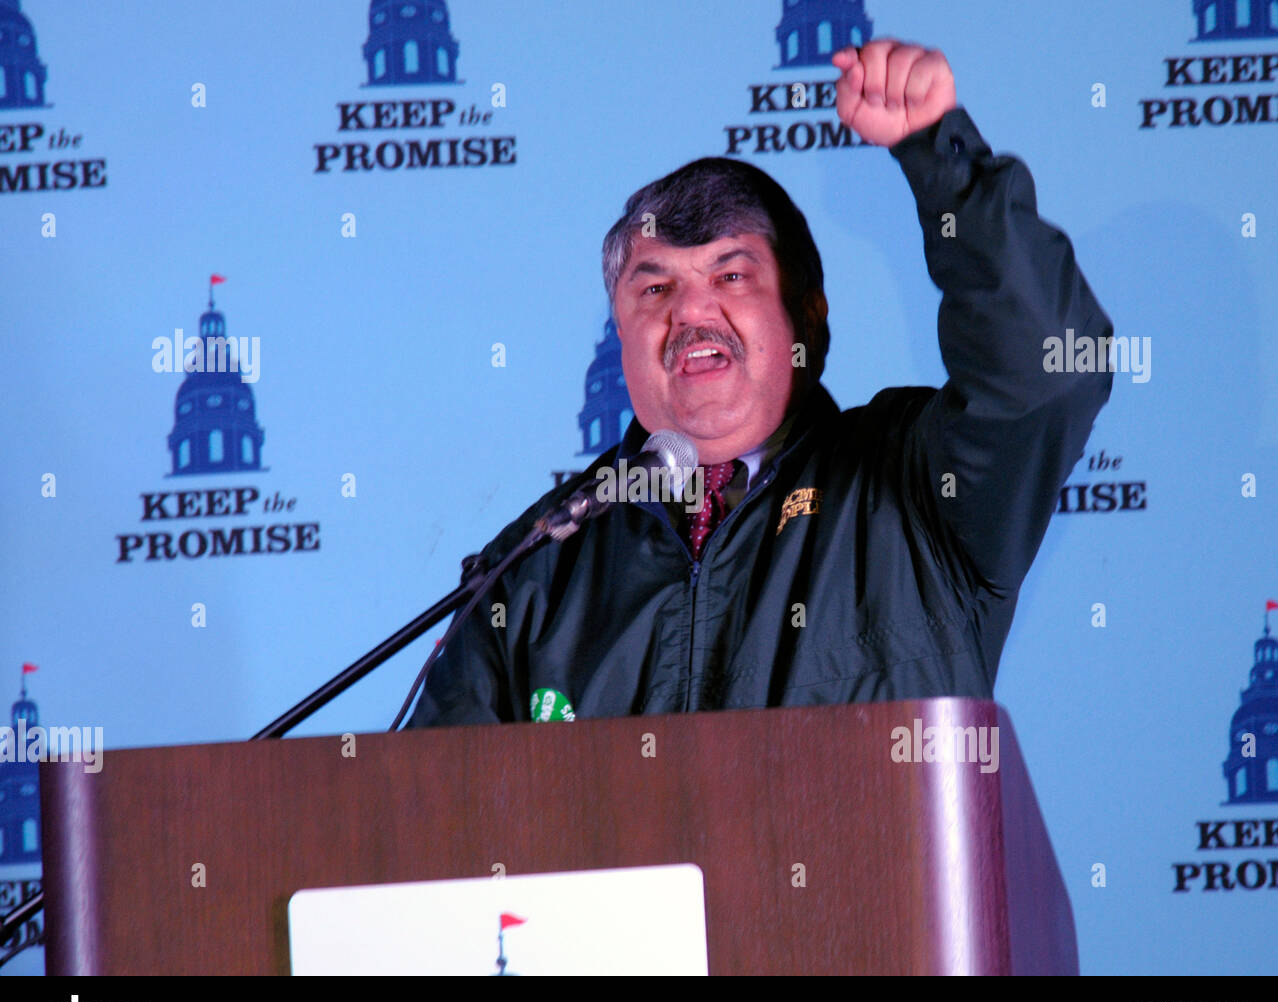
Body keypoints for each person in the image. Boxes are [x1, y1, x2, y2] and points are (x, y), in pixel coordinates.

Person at [408, 40, 1113, 727]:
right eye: (653, 289)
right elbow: (429, 816)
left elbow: (1047, 371)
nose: (690, 311)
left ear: (807, 316)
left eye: (731, 275)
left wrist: (941, 154)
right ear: (621, 339)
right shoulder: (534, 566)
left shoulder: (917, 489)